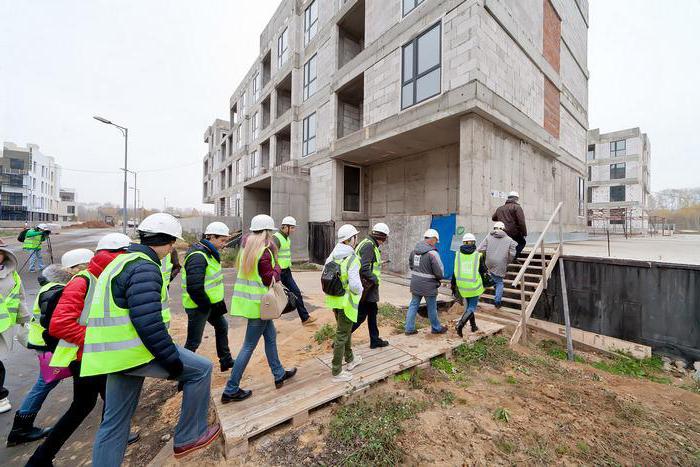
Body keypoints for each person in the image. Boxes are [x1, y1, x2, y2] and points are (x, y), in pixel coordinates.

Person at [83, 213, 219, 465]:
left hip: (110, 355)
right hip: (133, 352)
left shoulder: (120, 261)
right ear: (165, 242)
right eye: (171, 245)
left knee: (114, 422)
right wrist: (171, 361)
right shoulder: (145, 266)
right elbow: (147, 322)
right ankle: (191, 435)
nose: (170, 252)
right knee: (201, 369)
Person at [25, 234, 132, 466]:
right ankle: (40, 458)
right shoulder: (83, 281)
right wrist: (96, 340)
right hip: (85, 356)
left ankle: (41, 458)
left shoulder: (94, 279)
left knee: (95, 402)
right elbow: (60, 324)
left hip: (89, 355)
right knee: (89, 404)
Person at [6, 256, 80, 447]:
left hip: (47, 344)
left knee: (47, 383)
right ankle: (21, 428)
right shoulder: (56, 291)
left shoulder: (52, 287)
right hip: (49, 346)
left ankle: (21, 426)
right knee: (45, 383)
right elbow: (54, 325)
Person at [222, 214, 297, 403]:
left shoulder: (248, 248)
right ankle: (231, 388)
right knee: (248, 346)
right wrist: (278, 266)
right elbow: (270, 278)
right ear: (267, 231)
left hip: (252, 304)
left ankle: (279, 373)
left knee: (271, 338)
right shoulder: (264, 251)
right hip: (261, 306)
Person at [182, 221, 234, 372]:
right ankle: (183, 375)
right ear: (211, 237)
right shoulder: (198, 256)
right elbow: (195, 288)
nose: (224, 244)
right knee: (193, 342)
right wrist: (206, 306)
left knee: (222, 327)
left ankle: (226, 361)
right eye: (222, 240)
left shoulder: (208, 252)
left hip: (209, 305)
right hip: (199, 306)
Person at [324, 224, 363, 383]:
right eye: (355, 237)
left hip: (334, 299)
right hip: (347, 302)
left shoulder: (332, 255)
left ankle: (350, 358)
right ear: (350, 239)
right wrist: (359, 291)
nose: (356, 239)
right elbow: (354, 284)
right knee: (341, 335)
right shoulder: (352, 258)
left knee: (345, 331)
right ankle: (336, 371)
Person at [0, 243, 30, 415]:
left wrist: (24, 319)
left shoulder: (12, 274)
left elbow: (20, 296)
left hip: (4, 326)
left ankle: (1, 397)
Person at [352, 223, 390, 348]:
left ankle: (375, 340)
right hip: (368, 286)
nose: (384, 241)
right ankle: (341, 337)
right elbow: (364, 268)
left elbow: (368, 262)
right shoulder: (369, 245)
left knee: (372, 312)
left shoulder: (367, 243)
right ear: (382, 236)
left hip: (367, 285)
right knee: (362, 315)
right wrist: (375, 279)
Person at [273, 216, 316, 326]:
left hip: (286, 271)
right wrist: (275, 272)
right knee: (276, 298)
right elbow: (273, 256)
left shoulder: (287, 238)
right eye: (292, 228)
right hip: (278, 273)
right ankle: (268, 323)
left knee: (296, 293)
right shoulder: (276, 238)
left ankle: (305, 318)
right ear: (285, 227)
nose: (293, 230)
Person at [405, 229, 447, 335]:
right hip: (429, 285)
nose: (436, 243)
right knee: (432, 307)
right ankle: (436, 328)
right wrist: (438, 279)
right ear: (432, 239)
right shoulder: (433, 253)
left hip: (415, 283)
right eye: (436, 241)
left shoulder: (414, 251)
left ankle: (409, 329)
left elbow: (411, 265)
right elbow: (440, 272)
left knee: (413, 304)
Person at [453, 233, 487, 337]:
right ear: (474, 242)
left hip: (462, 286)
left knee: (468, 306)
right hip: (473, 286)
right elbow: (483, 270)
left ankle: (473, 326)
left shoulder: (457, 254)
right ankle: (460, 325)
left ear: (463, 242)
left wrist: (453, 286)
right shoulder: (478, 255)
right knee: (471, 307)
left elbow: (454, 271)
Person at [478, 222, 517, 309]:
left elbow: (480, 249)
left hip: (489, 262)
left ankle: (476, 297)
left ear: (494, 228)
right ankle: (497, 302)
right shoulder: (509, 240)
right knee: (499, 282)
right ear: (503, 229)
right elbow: (512, 254)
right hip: (501, 263)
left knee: (488, 279)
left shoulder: (489, 236)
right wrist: (507, 262)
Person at [492, 191, 527, 257]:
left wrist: (502, 217)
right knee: (522, 242)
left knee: (506, 244)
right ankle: (513, 257)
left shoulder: (500, 208)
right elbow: (521, 222)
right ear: (516, 199)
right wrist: (524, 233)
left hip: (502, 232)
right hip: (513, 233)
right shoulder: (517, 207)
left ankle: (506, 255)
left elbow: (493, 218)